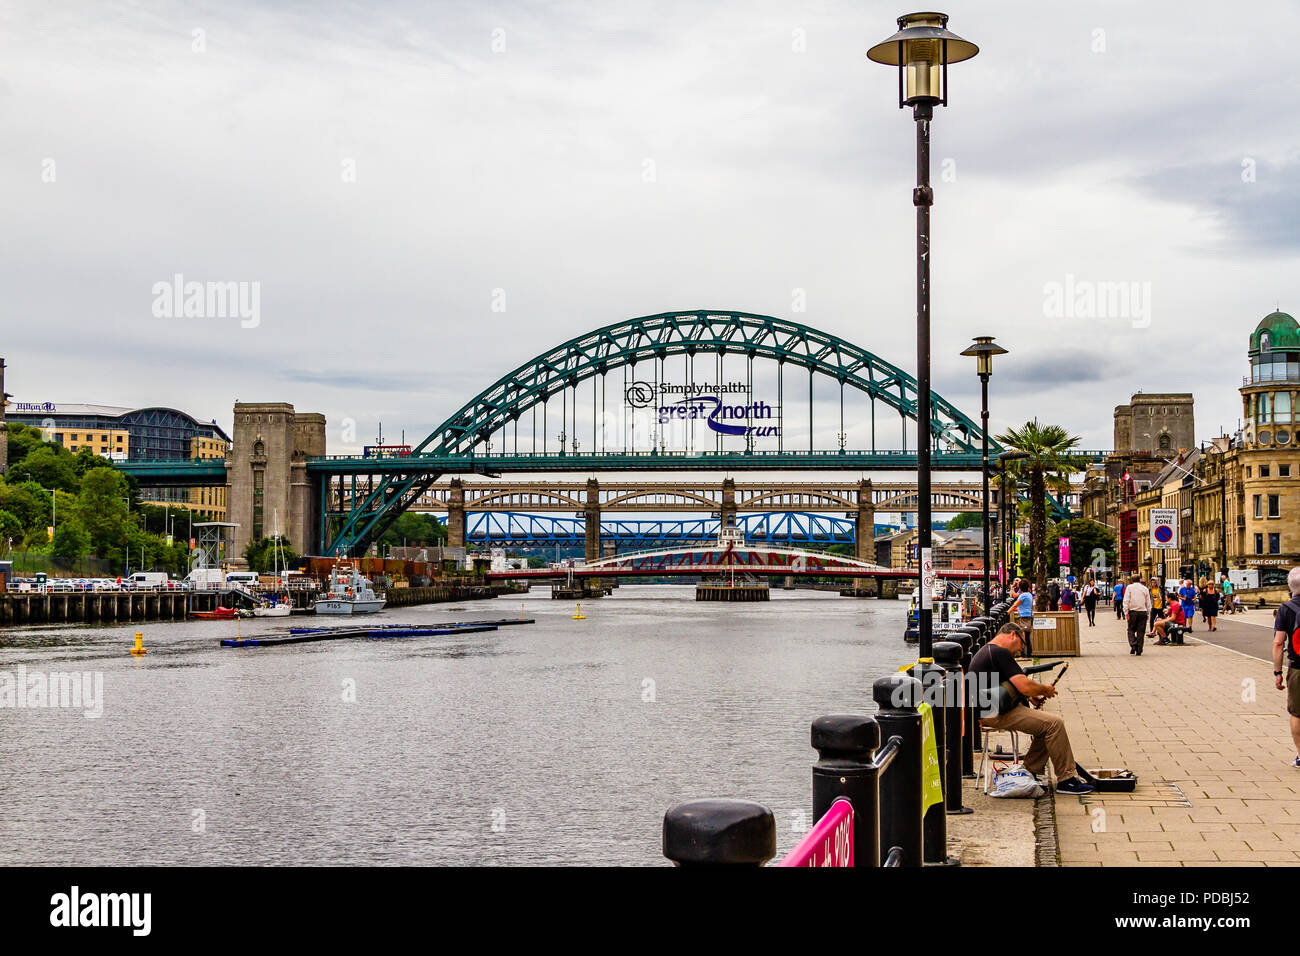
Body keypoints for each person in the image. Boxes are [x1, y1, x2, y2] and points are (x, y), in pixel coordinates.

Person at [971, 623, 1094, 794]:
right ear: (1013, 635)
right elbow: (1024, 685)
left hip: (991, 709)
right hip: (995, 713)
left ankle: (1029, 771)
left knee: (1045, 725)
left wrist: (1029, 697)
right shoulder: (1000, 652)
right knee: (1054, 724)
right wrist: (1045, 690)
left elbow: (1010, 685)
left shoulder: (989, 650)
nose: (1020, 649)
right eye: (1022, 643)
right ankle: (1067, 780)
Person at [1272, 568, 1300, 768]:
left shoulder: (1286, 609)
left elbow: (1278, 644)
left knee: (1297, 712)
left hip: (1297, 667)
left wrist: (1278, 673)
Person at [1122, 574, 1152, 656]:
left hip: (1133, 612)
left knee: (1130, 629)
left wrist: (1126, 612)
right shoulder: (1145, 589)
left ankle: (1133, 644)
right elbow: (1148, 602)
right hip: (1143, 612)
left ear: (1131, 580)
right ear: (1139, 580)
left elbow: (1126, 600)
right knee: (1141, 631)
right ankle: (1139, 649)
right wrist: (1148, 613)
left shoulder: (1129, 588)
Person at [1014, 581, 1035, 657]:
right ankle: (1029, 653)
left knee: (1022, 636)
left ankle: (1024, 653)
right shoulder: (1029, 594)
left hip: (1024, 617)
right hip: (1029, 616)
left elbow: (1015, 605)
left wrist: (1008, 612)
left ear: (1020, 587)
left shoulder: (1023, 596)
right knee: (1027, 636)